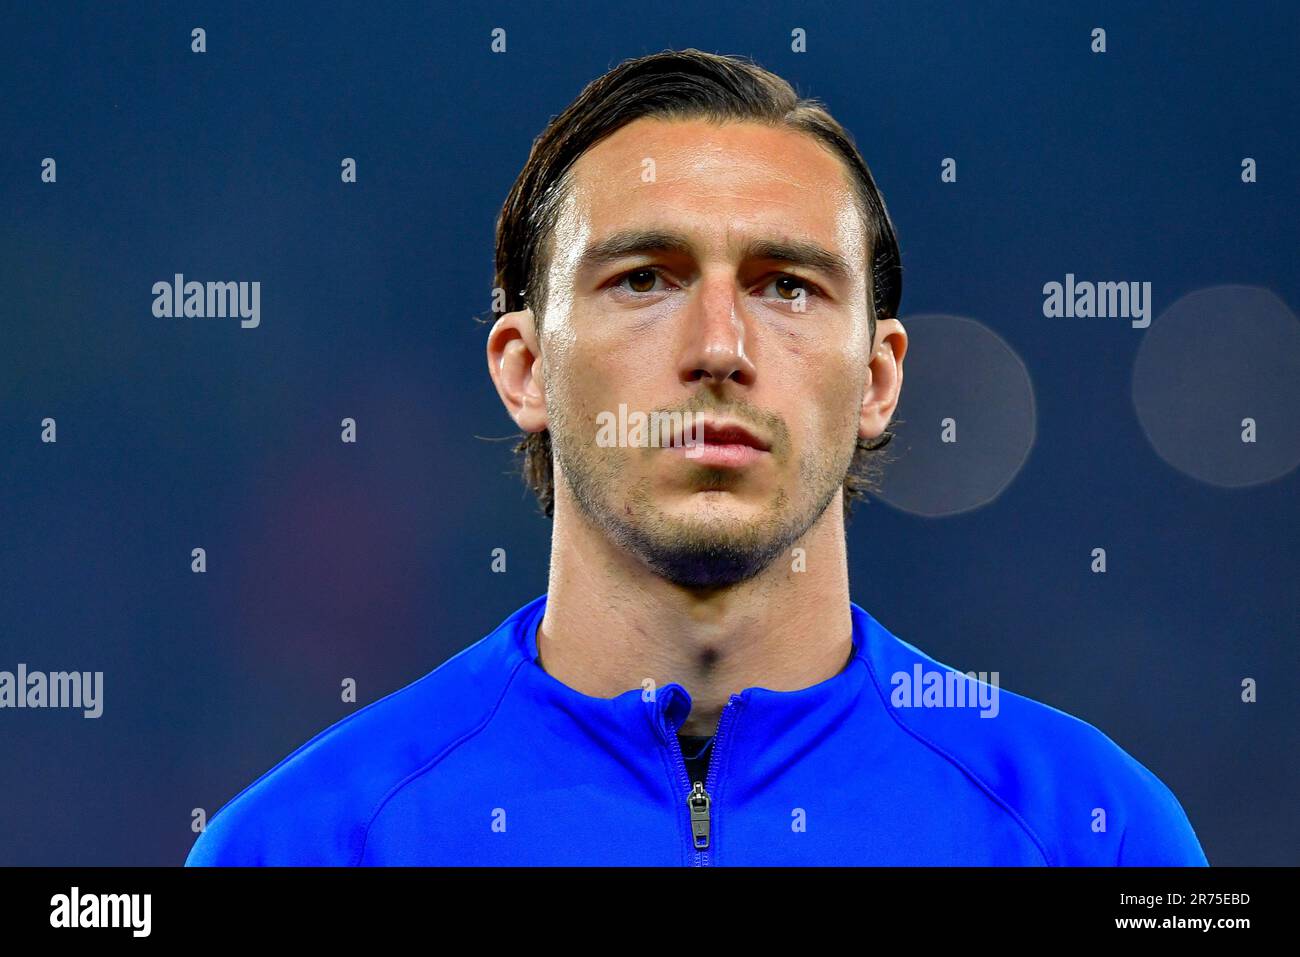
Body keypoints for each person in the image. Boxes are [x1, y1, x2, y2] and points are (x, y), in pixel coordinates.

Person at [186, 48, 1207, 866]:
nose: (719, 347)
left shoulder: (1092, 830)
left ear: (878, 379)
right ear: (524, 368)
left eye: (787, 287)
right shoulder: (302, 843)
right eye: (644, 279)